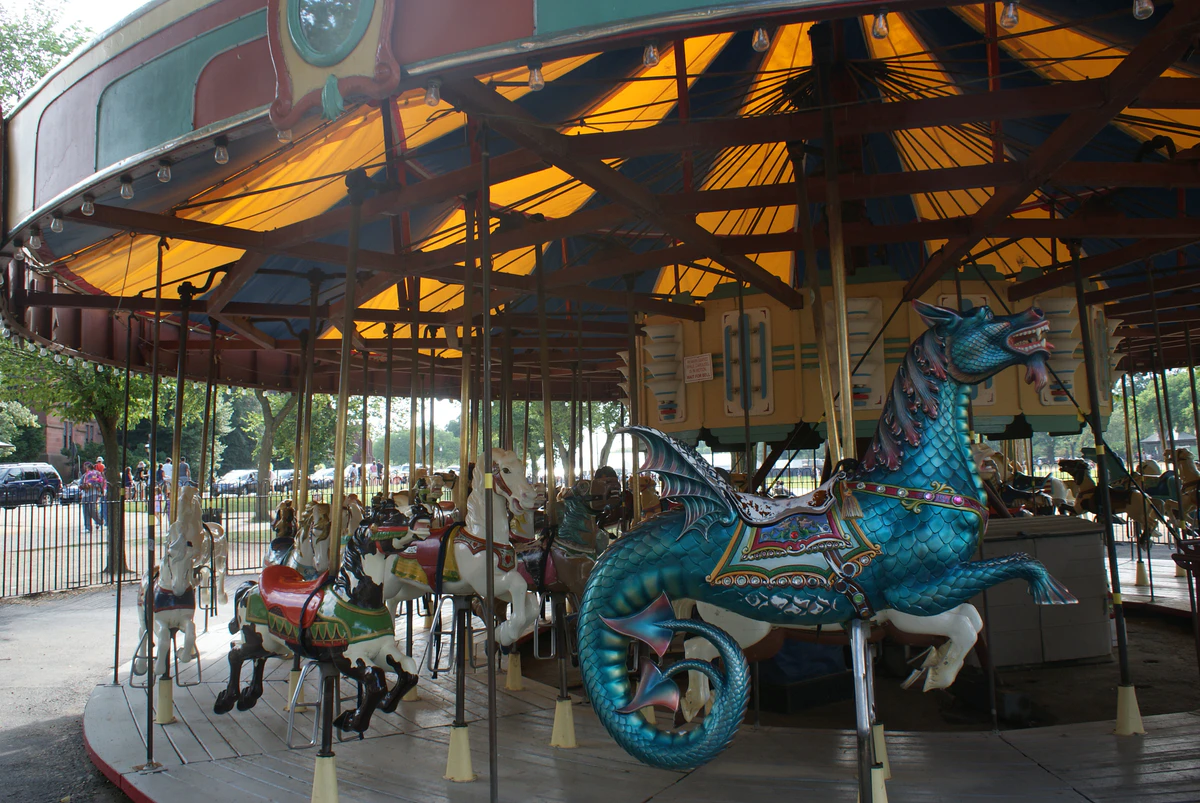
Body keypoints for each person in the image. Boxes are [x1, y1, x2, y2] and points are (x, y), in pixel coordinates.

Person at [80, 462, 107, 535]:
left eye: (86, 466)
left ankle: (100, 522)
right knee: (85, 510)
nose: (85, 468)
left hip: (94, 493)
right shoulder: (84, 476)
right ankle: (87, 527)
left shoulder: (96, 473)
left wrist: (94, 484)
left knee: (92, 509)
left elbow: (101, 482)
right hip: (85, 494)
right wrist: (84, 486)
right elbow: (80, 484)